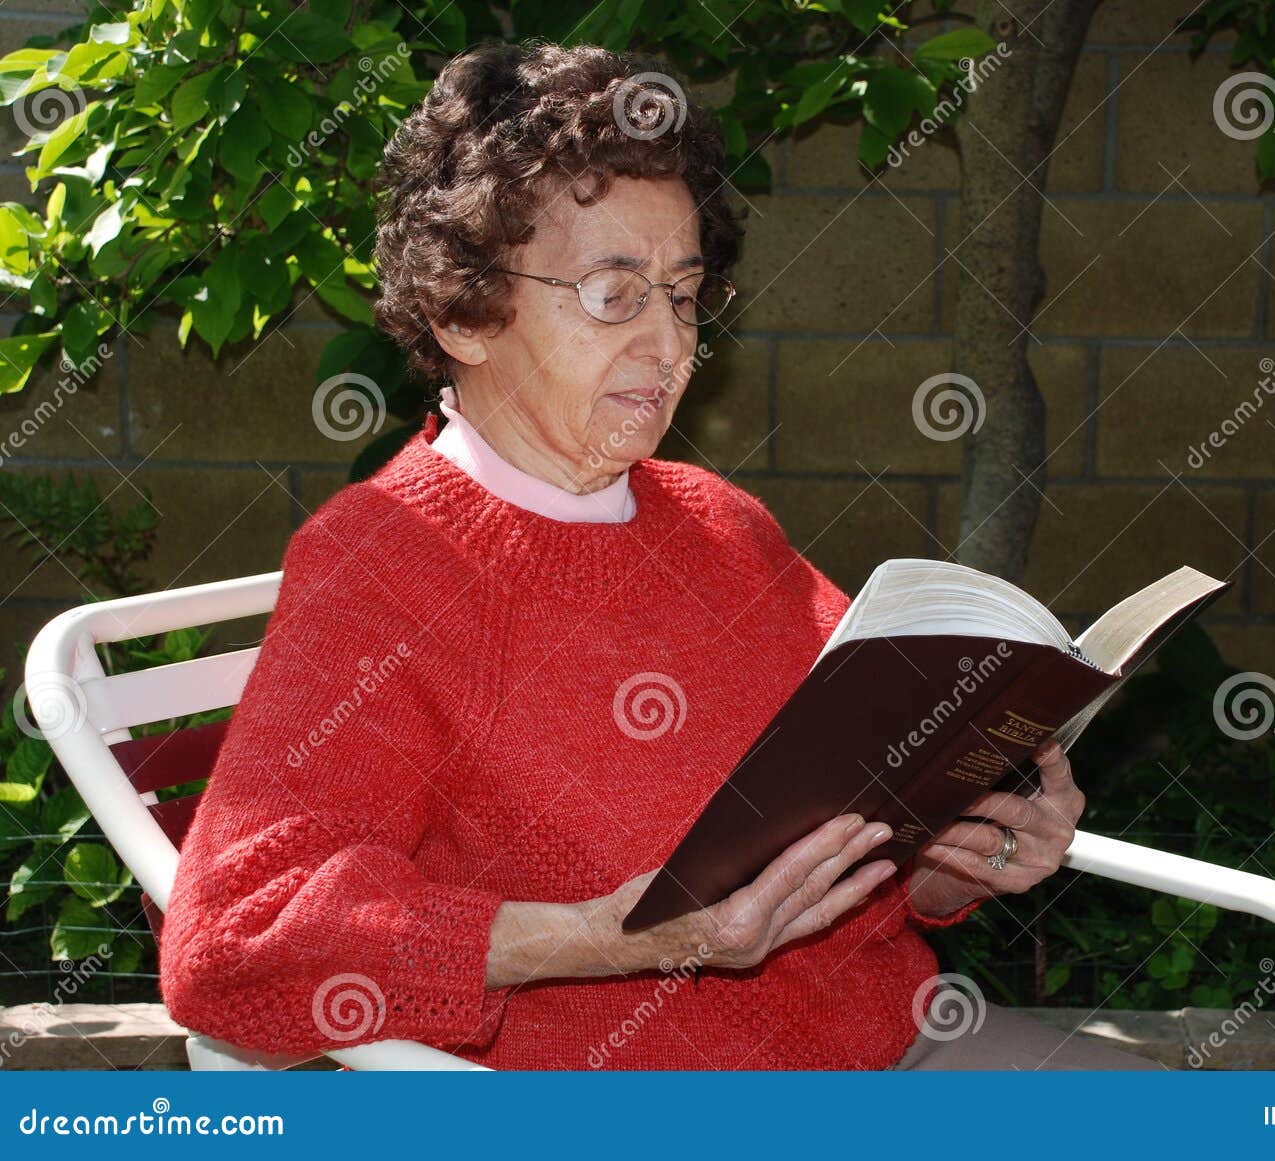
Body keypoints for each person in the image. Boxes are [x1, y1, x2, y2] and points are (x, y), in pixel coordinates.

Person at [158, 40, 1159, 1072]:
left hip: (901, 1045)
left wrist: (967, 858)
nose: (669, 348)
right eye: (611, 294)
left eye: (683, 296)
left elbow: (859, 826)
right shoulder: (388, 566)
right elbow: (234, 947)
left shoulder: (716, 523)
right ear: (463, 311)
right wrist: (603, 938)